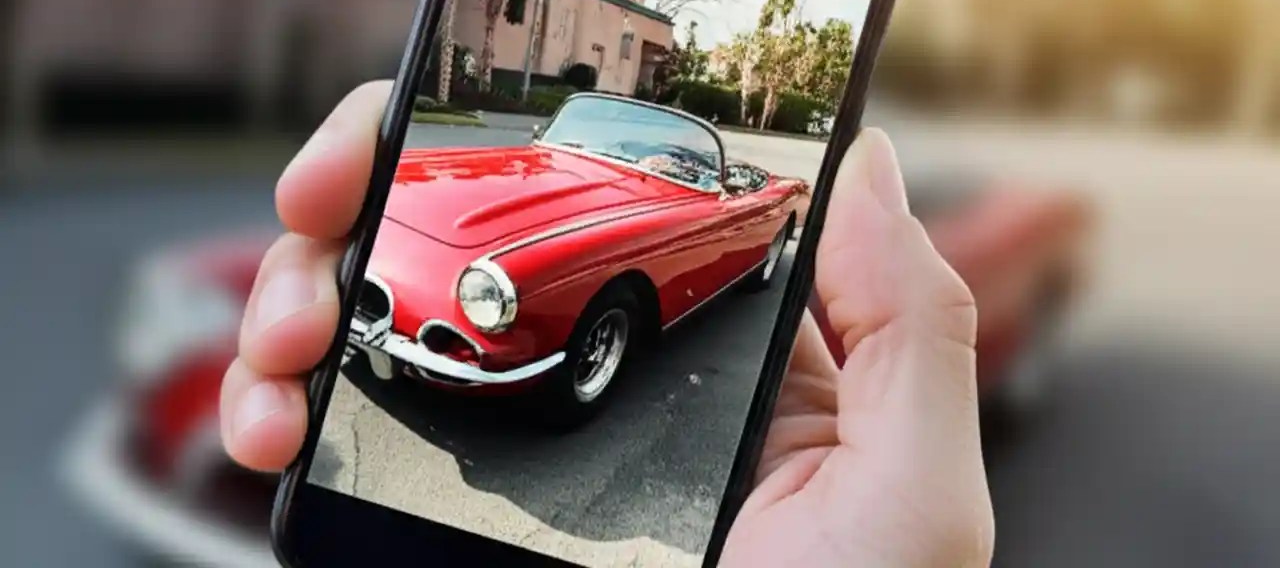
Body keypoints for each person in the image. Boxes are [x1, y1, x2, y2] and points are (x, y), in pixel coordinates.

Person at [220, 81, 995, 567]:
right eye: (585, 127)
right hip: (413, 307)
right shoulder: (517, 156)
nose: (643, 156)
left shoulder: (734, 195)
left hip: (495, 309)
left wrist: (699, 181)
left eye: (676, 158)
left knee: (520, 283)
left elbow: (712, 191)